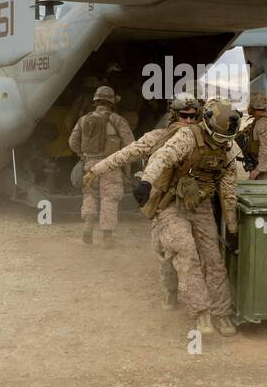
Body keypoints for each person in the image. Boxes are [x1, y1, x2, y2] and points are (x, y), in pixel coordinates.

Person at [134, 97, 241, 338]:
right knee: (186, 254)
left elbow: (227, 193)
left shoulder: (227, 149)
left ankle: (222, 313)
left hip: (200, 206)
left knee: (214, 260)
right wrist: (146, 182)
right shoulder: (187, 136)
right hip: (171, 203)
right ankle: (201, 312)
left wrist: (232, 229)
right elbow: (163, 157)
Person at [83, 94, 200, 307]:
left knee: (198, 254)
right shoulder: (158, 137)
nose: (190, 121)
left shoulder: (200, 138)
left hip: (197, 202)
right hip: (166, 203)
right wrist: (97, 169)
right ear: (174, 115)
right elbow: (127, 153)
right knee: (166, 252)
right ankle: (171, 293)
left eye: (194, 117)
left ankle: (201, 306)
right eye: (185, 116)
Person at [68, 85, 135, 245]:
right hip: (110, 165)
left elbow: (72, 142)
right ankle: (107, 237)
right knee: (109, 198)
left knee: (90, 195)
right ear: (111, 102)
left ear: (95, 101)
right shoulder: (117, 120)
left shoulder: (83, 120)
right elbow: (131, 144)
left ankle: (88, 225)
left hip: (89, 164)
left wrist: (83, 155)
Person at [240, 90, 267, 180]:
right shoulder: (258, 121)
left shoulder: (263, 123)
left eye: (249, 105)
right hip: (263, 166)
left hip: (266, 169)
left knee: (264, 194)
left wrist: (258, 170)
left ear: (254, 107)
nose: (247, 108)